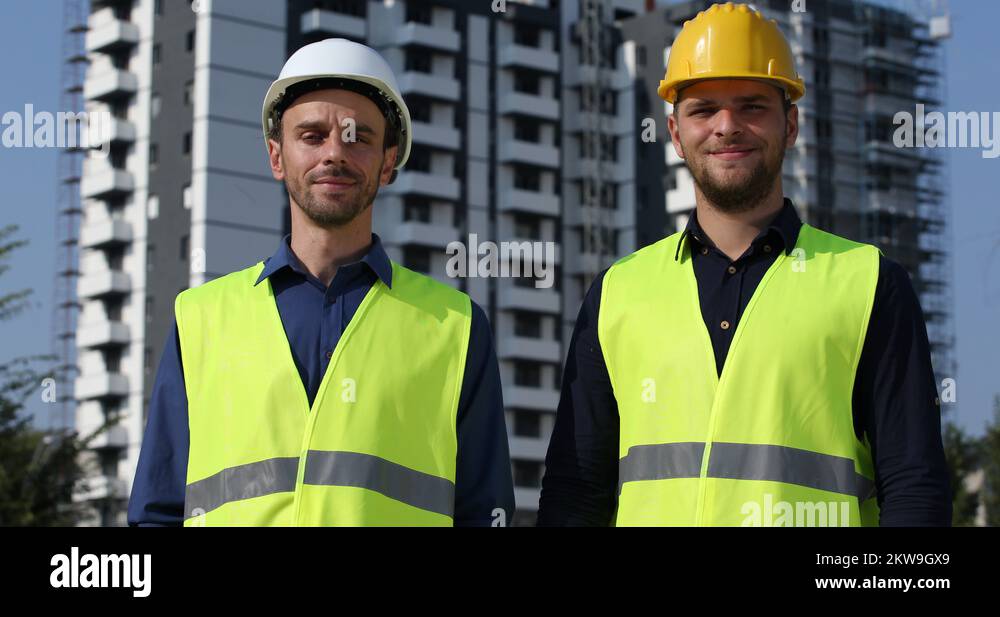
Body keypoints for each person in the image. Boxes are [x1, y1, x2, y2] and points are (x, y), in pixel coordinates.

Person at [538, 3, 950, 526]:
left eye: (752, 106)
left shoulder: (870, 284)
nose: (727, 126)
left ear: (791, 123)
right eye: (704, 109)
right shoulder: (617, 294)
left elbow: (915, 488)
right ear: (674, 131)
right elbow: (575, 493)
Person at [128, 38, 514, 526]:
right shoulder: (200, 319)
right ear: (276, 156)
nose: (335, 153)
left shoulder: (455, 328)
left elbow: (486, 514)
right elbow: (157, 513)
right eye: (311, 136)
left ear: (388, 161)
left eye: (358, 137)